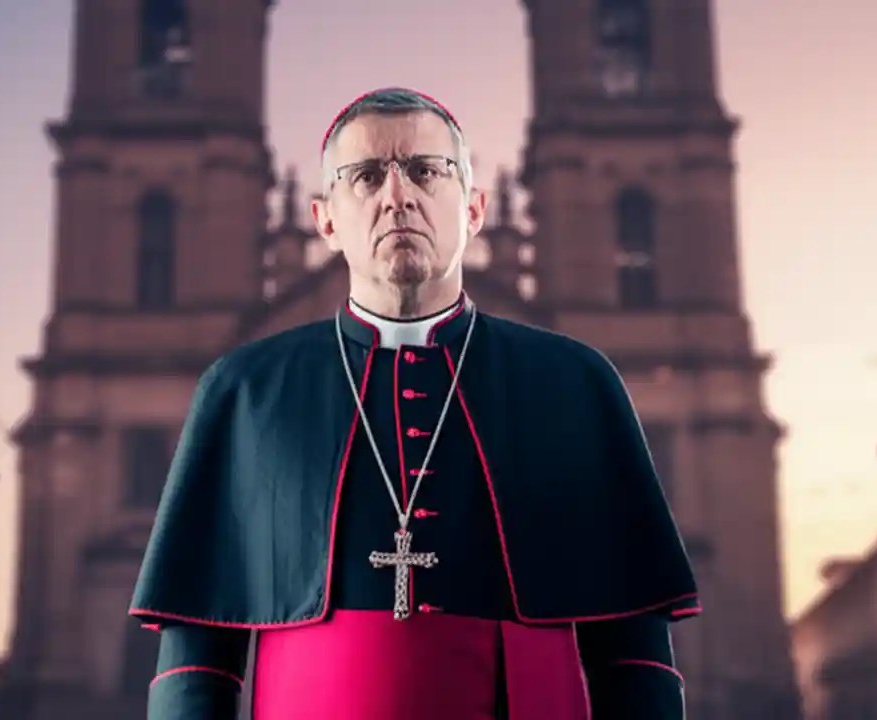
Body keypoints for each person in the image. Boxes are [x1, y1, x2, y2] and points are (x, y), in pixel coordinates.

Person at [129, 87, 702, 720]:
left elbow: (635, 658)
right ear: (326, 220)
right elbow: (195, 663)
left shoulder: (575, 384)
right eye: (366, 176)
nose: (398, 196)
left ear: (474, 209)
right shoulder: (243, 392)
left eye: (427, 171)